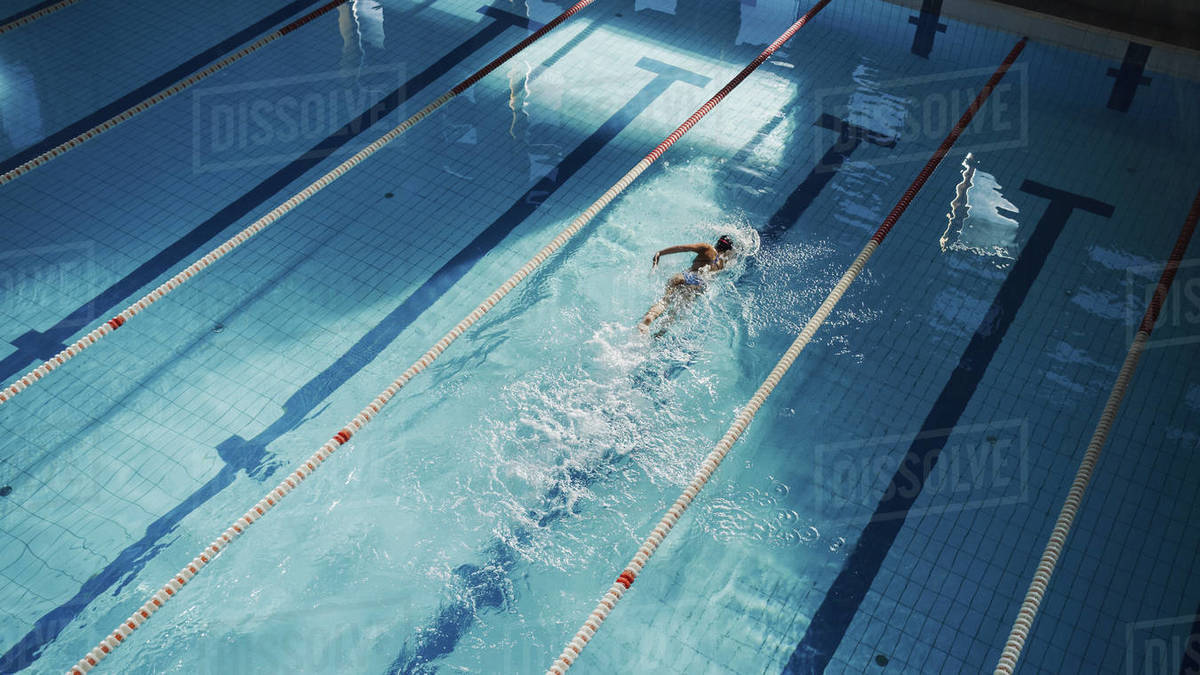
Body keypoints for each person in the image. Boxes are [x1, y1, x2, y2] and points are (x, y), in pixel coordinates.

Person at [638, 235, 735, 334]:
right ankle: (659, 335)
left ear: (717, 242)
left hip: (685, 276)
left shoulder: (707, 248)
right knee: (675, 313)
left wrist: (660, 253)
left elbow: (683, 248)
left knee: (664, 301)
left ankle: (649, 319)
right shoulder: (721, 264)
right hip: (696, 286)